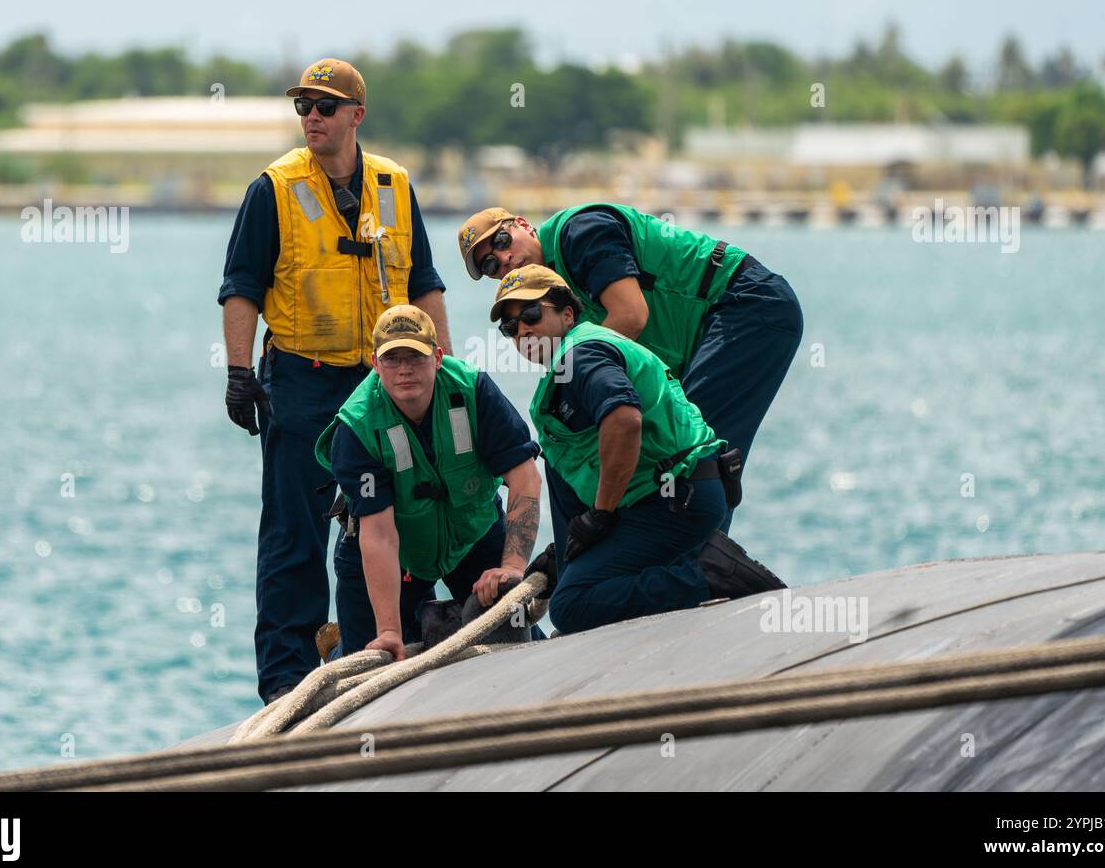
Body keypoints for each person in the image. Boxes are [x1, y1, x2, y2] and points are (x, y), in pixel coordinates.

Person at [218, 58, 451, 704]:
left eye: (325, 106)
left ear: (357, 114)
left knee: (391, 521)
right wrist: (239, 375)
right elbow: (240, 289)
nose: (312, 117)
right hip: (300, 381)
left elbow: (424, 283)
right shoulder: (274, 188)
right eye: (303, 107)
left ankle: (379, 651)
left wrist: (447, 371)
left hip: (384, 384)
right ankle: (286, 684)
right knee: (295, 535)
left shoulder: (395, 185)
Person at [458, 203, 801, 532]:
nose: (503, 260)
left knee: (692, 447)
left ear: (522, 224)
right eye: (489, 265)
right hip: (706, 335)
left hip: (746, 304)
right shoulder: (550, 295)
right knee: (643, 439)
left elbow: (630, 316)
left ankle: (700, 561)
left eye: (501, 242)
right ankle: (598, 553)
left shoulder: (581, 232)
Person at [490, 265, 758, 633]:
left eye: (532, 314)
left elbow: (624, 418)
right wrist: (565, 552)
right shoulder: (572, 360)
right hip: (674, 495)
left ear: (567, 313)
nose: (522, 329)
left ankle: (708, 576)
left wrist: (601, 513)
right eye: (510, 327)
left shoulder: (580, 356)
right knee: (573, 580)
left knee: (570, 605)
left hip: (676, 499)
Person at [315, 305, 542, 660]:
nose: (404, 369)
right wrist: (389, 631)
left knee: (524, 641)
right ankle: (337, 649)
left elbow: (524, 477)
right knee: (367, 666)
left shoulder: (473, 390)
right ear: (375, 363)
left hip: (474, 536)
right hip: (393, 554)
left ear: (437, 357)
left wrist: (512, 568)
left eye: (415, 356)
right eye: (392, 359)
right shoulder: (356, 427)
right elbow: (380, 534)